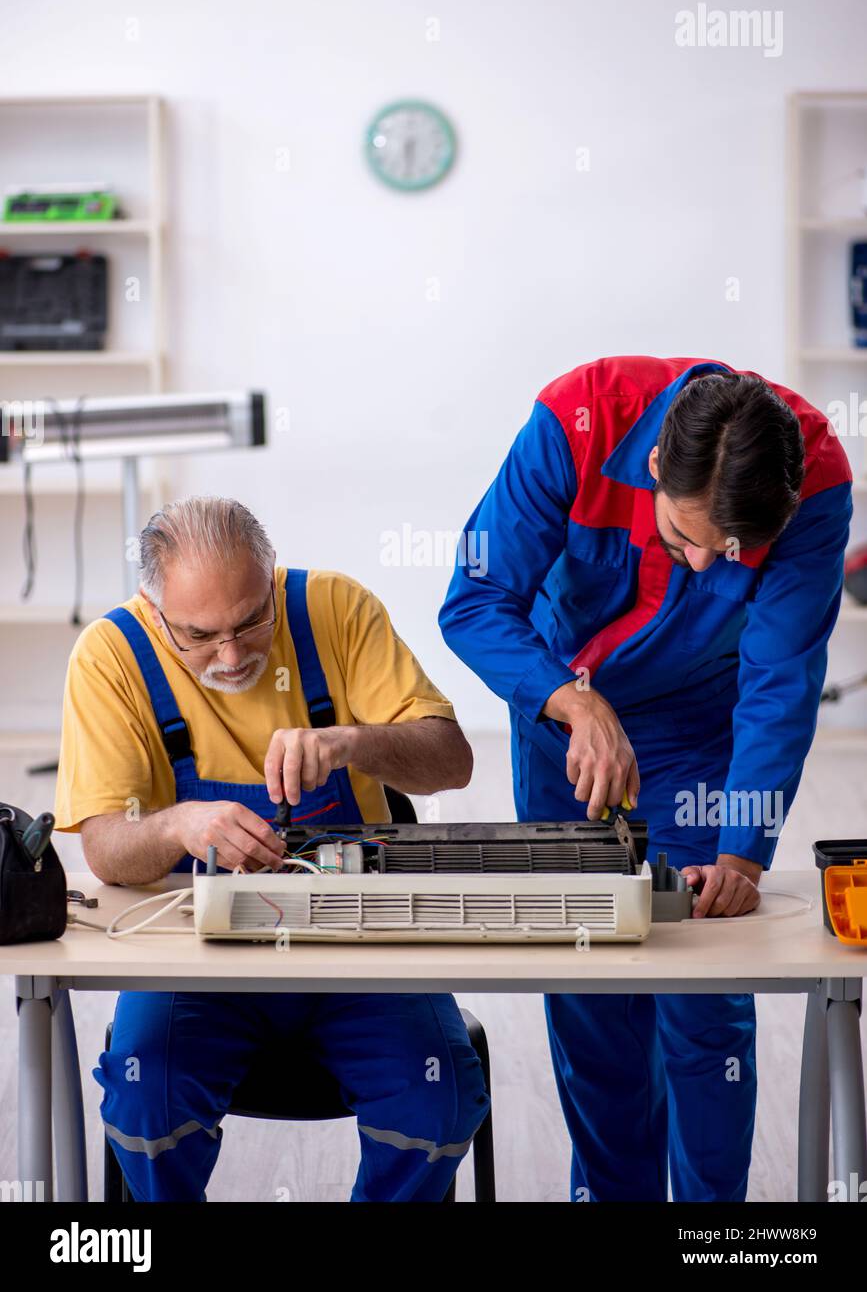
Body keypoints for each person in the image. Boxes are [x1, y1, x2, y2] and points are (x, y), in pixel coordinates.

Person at [439, 355, 852, 1201]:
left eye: (730, 553)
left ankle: (712, 1232)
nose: (705, 567)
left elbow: (779, 682)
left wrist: (740, 853)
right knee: (591, 990)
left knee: (701, 994)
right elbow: (474, 601)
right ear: (656, 466)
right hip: (563, 719)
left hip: (698, 729)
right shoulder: (574, 422)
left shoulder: (815, 474)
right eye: (683, 537)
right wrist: (570, 703)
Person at [54, 495, 489, 1202]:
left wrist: (353, 742)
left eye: (253, 620)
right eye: (199, 635)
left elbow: (451, 763)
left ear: (271, 575)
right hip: (194, 961)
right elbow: (105, 849)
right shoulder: (110, 657)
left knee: (435, 1104)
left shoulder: (336, 610)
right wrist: (176, 827)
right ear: (152, 609)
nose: (231, 656)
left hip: (359, 945)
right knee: (145, 1104)